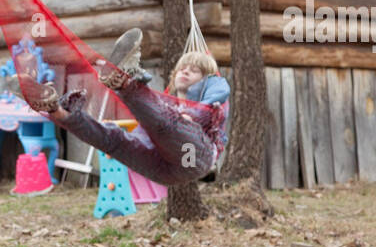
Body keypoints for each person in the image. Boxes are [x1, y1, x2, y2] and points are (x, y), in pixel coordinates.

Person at [24, 28, 229, 186]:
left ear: (207, 78)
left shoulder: (213, 91)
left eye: (194, 71)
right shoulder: (166, 102)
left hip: (191, 158)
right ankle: (56, 110)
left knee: (169, 123)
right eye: (182, 69)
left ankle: (123, 81)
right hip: (164, 170)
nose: (185, 72)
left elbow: (216, 95)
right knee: (114, 140)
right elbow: (151, 125)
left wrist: (194, 114)